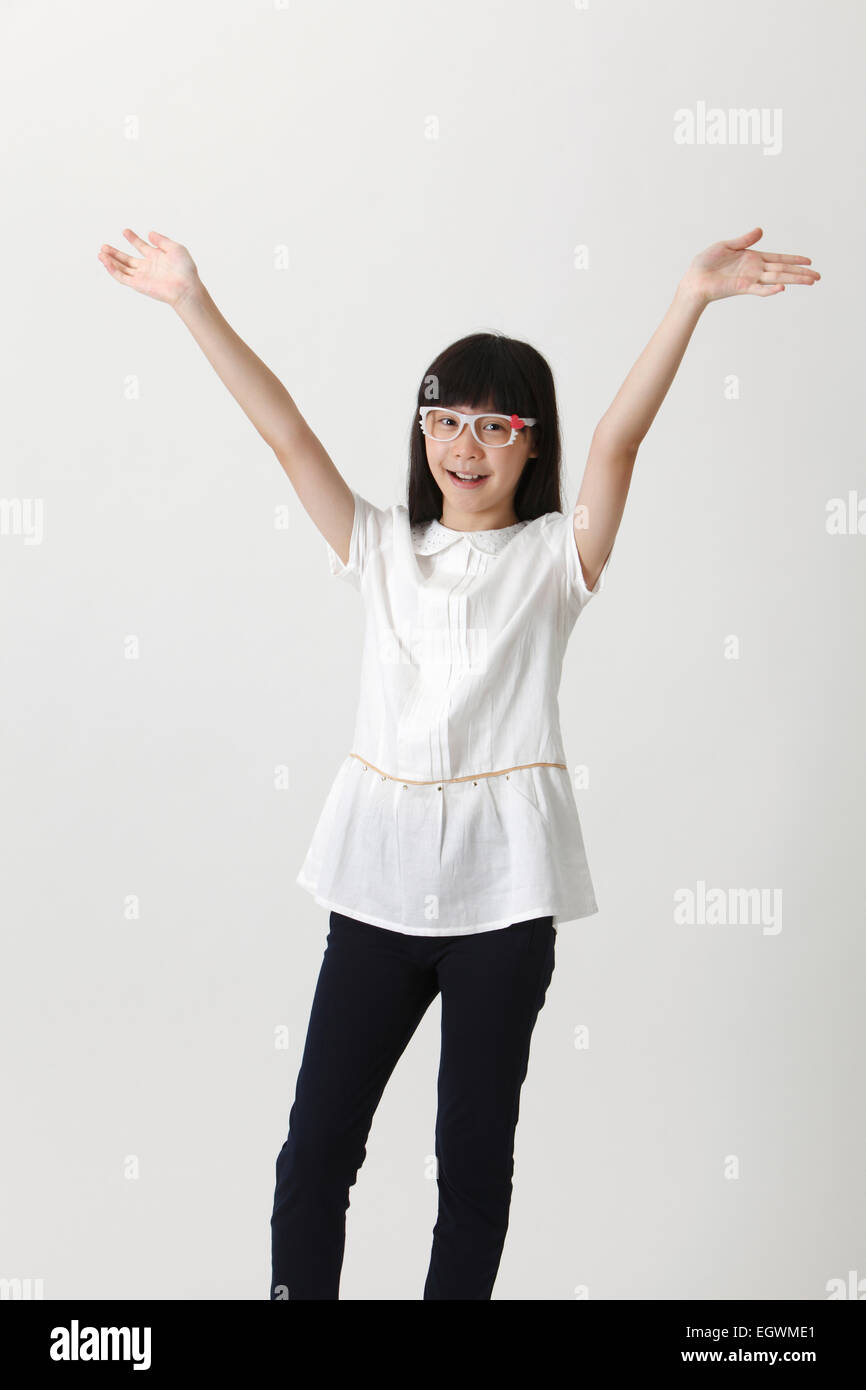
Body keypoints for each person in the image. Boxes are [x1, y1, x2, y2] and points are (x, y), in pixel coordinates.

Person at [96, 225, 820, 1299]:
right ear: (421, 433)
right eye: (444, 419)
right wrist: (192, 300)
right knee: (313, 1154)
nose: (463, 443)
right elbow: (285, 431)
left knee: (471, 1160)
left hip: (503, 903)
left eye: (493, 423)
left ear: (531, 445)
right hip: (375, 890)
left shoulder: (552, 561)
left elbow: (618, 444)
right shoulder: (381, 548)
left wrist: (687, 299)